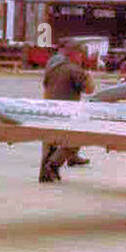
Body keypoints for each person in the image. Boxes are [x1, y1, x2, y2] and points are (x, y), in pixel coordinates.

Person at [39, 42, 95, 182]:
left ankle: (45, 173)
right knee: (77, 138)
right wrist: (88, 76)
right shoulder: (75, 70)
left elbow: (45, 85)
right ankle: (53, 165)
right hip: (67, 111)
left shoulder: (53, 67)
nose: (82, 58)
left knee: (49, 141)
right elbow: (89, 90)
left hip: (49, 109)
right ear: (75, 54)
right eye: (81, 55)